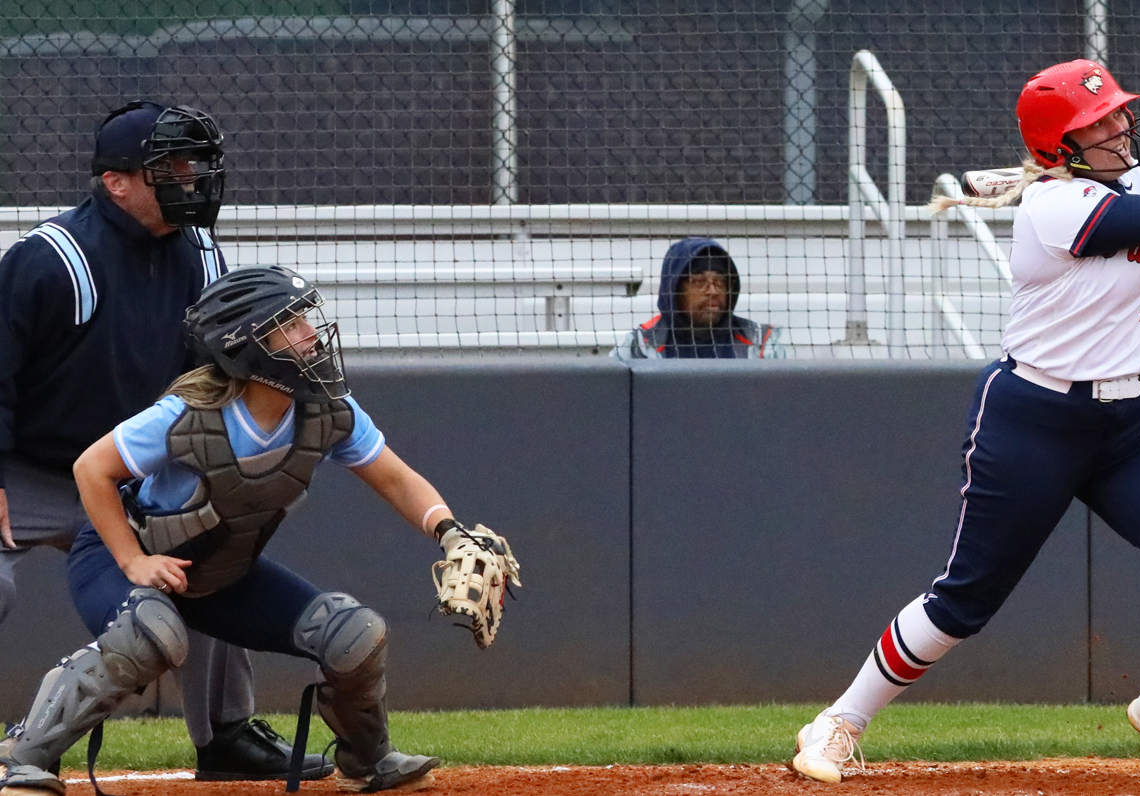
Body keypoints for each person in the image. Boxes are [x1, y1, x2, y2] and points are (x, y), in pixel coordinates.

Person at [789, 60, 1140, 784]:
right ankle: (838, 724)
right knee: (966, 599)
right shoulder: (1052, 205)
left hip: (1134, 422)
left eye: (1115, 114)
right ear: (1058, 147)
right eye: (1095, 124)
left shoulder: (1137, 181)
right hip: (1034, 420)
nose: (1118, 127)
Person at [0, 266, 522, 795]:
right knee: (149, 635)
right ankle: (22, 757)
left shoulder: (327, 410)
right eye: (291, 324)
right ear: (249, 344)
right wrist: (133, 561)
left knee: (355, 636)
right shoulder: (188, 413)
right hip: (123, 559)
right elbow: (92, 469)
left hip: (221, 573)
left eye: (305, 320)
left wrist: (449, 532)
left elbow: (397, 480)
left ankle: (368, 760)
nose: (311, 334)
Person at [0, 101, 330, 781]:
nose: (192, 178)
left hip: (137, 467)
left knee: (210, 557)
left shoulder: (203, 253)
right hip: (31, 468)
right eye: (170, 167)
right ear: (115, 182)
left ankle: (228, 736)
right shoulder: (51, 259)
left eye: (196, 163)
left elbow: (223, 366)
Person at [611, 238, 785, 359]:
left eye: (720, 281)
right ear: (674, 288)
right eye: (699, 281)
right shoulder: (639, 346)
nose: (712, 291)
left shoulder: (761, 344)